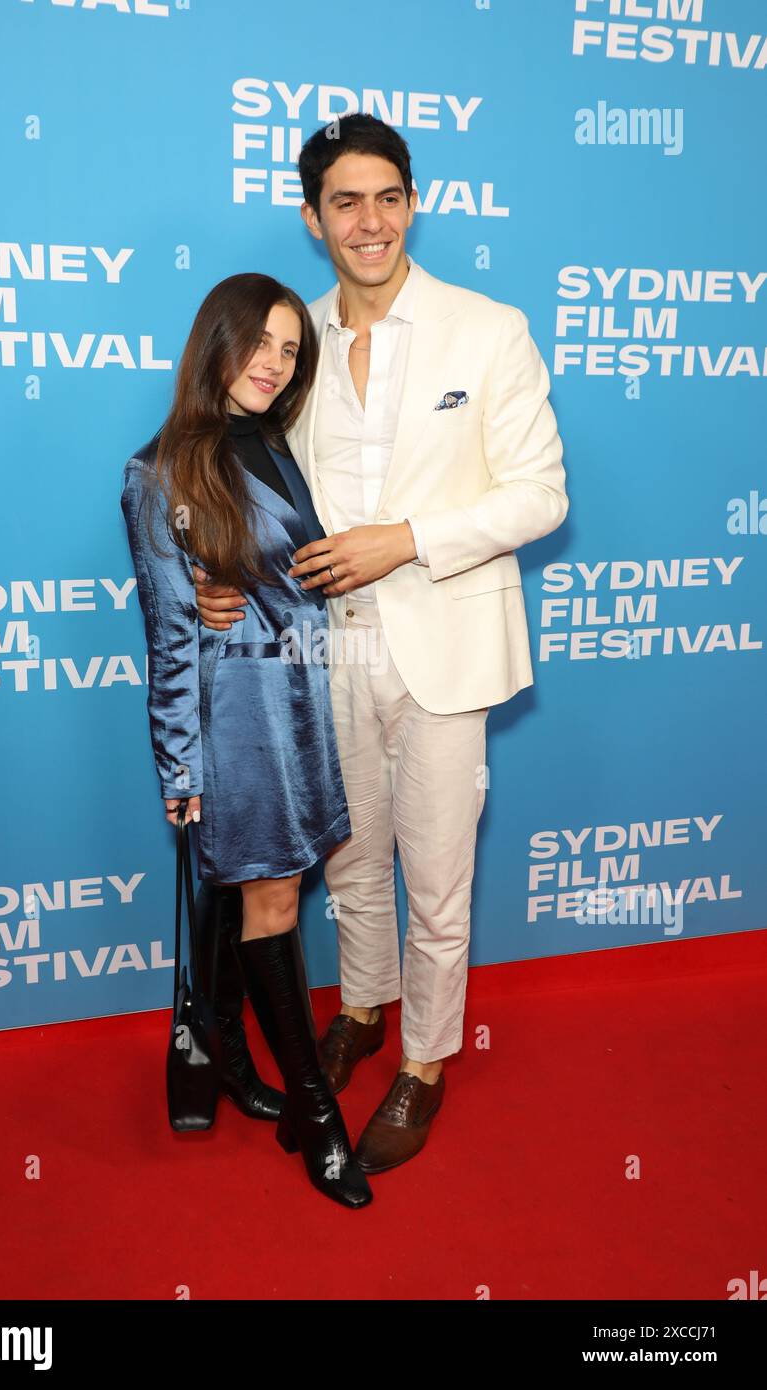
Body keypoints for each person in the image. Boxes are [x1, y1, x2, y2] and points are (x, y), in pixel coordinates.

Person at [193, 114, 569, 1175]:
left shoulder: (485, 329)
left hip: (445, 645)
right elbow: (247, 486)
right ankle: (362, 1002)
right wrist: (223, 579)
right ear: (312, 219)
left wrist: (404, 541)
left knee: (437, 871)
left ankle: (427, 1056)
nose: (370, 220)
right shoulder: (290, 341)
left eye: (387, 197)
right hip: (324, 654)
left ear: (413, 203)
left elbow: (540, 494)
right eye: (345, 202)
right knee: (351, 861)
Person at [120, 272, 372, 1209]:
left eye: (289, 350)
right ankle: (321, 1124)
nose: (273, 364)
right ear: (214, 343)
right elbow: (168, 636)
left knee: (249, 895)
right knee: (269, 900)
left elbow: (285, 577)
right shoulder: (157, 475)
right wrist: (180, 764)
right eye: (258, 343)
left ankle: (228, 1057)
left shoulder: (272, 444)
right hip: (234, 727)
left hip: (300, 710)